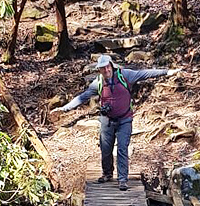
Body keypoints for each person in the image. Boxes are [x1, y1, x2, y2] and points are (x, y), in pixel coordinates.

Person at [56, 54, 179, 190]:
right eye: (103, 69)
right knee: (105, 149)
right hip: (107, 120)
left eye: (107, 67)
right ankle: (107, 173)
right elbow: (82, 97)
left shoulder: (125, 75)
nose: (106, 71)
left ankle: (122, 179)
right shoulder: (98, 82)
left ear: (112, 66)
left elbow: (145, 73)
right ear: (99, 70)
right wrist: (64, 108)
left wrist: (167, 72)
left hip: (124, 119)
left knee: (122, 148)